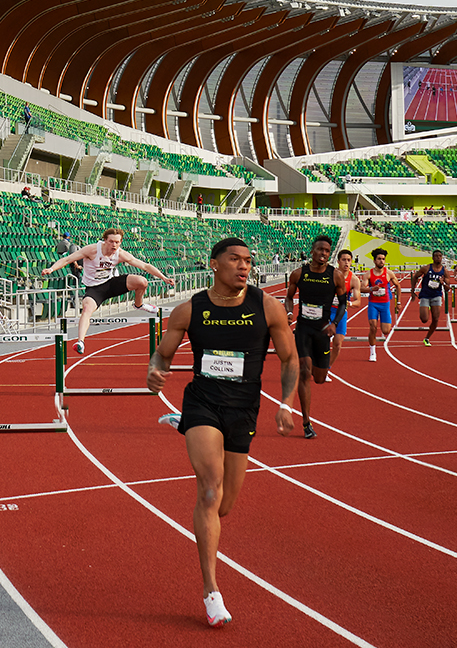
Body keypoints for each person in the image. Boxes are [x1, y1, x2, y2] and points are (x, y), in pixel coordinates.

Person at [150, 236, 297, 627]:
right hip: (203, 401)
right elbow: (163, 353)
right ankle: (211, 590)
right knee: (209, 489)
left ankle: (185, 426)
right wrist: (154, 368)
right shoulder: (190, 309)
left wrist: (286, 403)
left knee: (225, 504)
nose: (244, 266)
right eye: (235, 259)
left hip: (244, 409)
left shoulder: (267, 307)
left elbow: (288, 358)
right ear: (214, 263)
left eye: (249, 260)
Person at [40, 227, 176, 353]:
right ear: (105, 240)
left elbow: (145, 266)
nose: (114, 245)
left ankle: (138, 304)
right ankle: (80, 341)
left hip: (111, 284)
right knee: (86, 309)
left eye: (117, 242)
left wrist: (164, 278)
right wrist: (51, 269)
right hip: (94, 289)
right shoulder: (92, 250)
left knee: (142, 281)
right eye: (111, 242)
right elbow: (67, 259)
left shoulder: (120, 254)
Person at [286, 236, 349, 439]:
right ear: (312, 251)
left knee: (319, 378)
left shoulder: (336, 276)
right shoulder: (298, 274)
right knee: (304, 372)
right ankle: (306, 422)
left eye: (327, 251)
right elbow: (288, 297)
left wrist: (334, 324)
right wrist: (288, 313)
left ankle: (314, 362)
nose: (324, 253)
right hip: (303, 328)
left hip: (323, 331)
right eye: (320, 249)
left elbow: (342, 304)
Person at [362, 248, 397, 359]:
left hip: (384, 304)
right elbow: (362, 288)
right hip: (373, 303)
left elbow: (398, 286)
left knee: (386, 331)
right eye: (379, 259)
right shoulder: (368, 274)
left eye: (383, 259)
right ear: (374, 261)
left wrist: (399, 301)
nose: (381, 261)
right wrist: (371, 289)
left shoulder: (389, 273)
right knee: (373, 327)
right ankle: (373, 352)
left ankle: (387, 318)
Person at [411, 249, 450, 343]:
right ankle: (426, 309)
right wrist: (412, 290)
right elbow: (415, 276)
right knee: (424, 319)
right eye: (436, 256)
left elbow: (447, 288)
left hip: (436, 295)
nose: (438, 257)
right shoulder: (426, 268)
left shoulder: (445, 271)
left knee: (436, 319)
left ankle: (427, 338)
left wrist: (443, 283)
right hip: (425, 295)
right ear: (433, 258)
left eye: (440, 256)